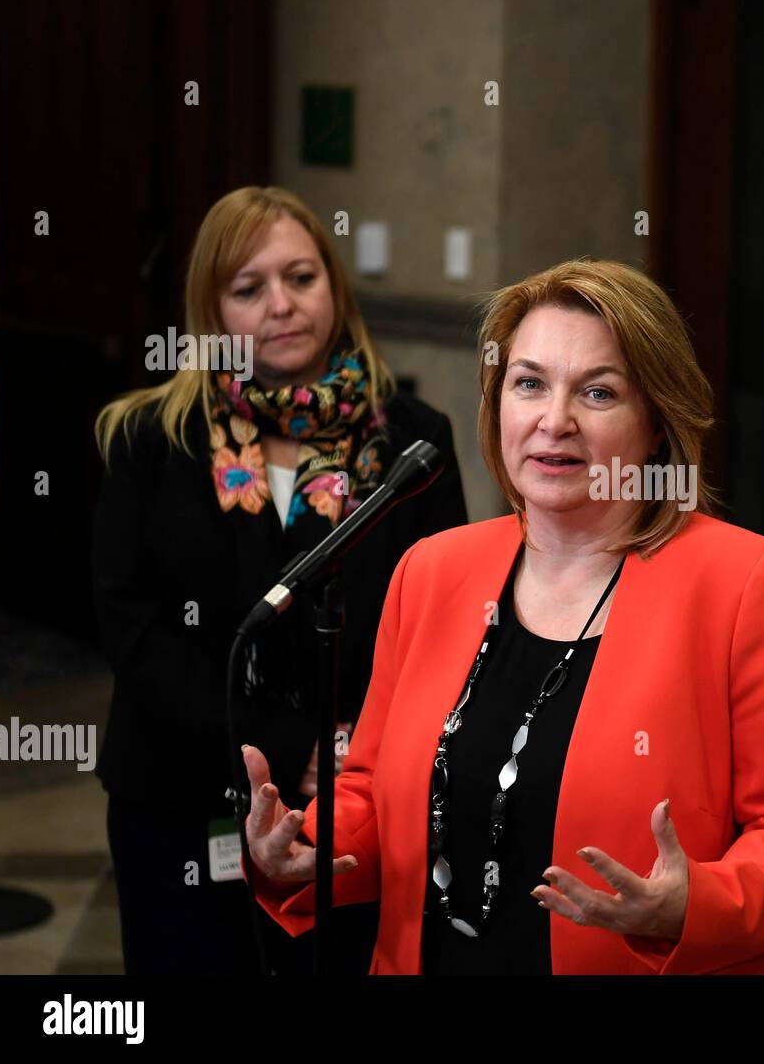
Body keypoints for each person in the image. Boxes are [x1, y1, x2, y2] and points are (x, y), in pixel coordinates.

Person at [240, 259, 764, 974]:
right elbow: (378, 795)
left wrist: (695, 902)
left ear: (657, 423)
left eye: (597, 392)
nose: (553, 421)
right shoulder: (433, 572)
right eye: (529, 383)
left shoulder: (747, 584)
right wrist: (305, 849)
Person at [92, 186, 469, 974]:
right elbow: (130, 628)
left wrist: (348, 754)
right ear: (211, 309)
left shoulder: (413, 441)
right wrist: (283, 746)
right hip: (185, 797)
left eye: (301, 277)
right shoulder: (149, 438)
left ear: (334, 285)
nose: (281, 305)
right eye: (248, 288)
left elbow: (445, 626)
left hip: (351, 805)